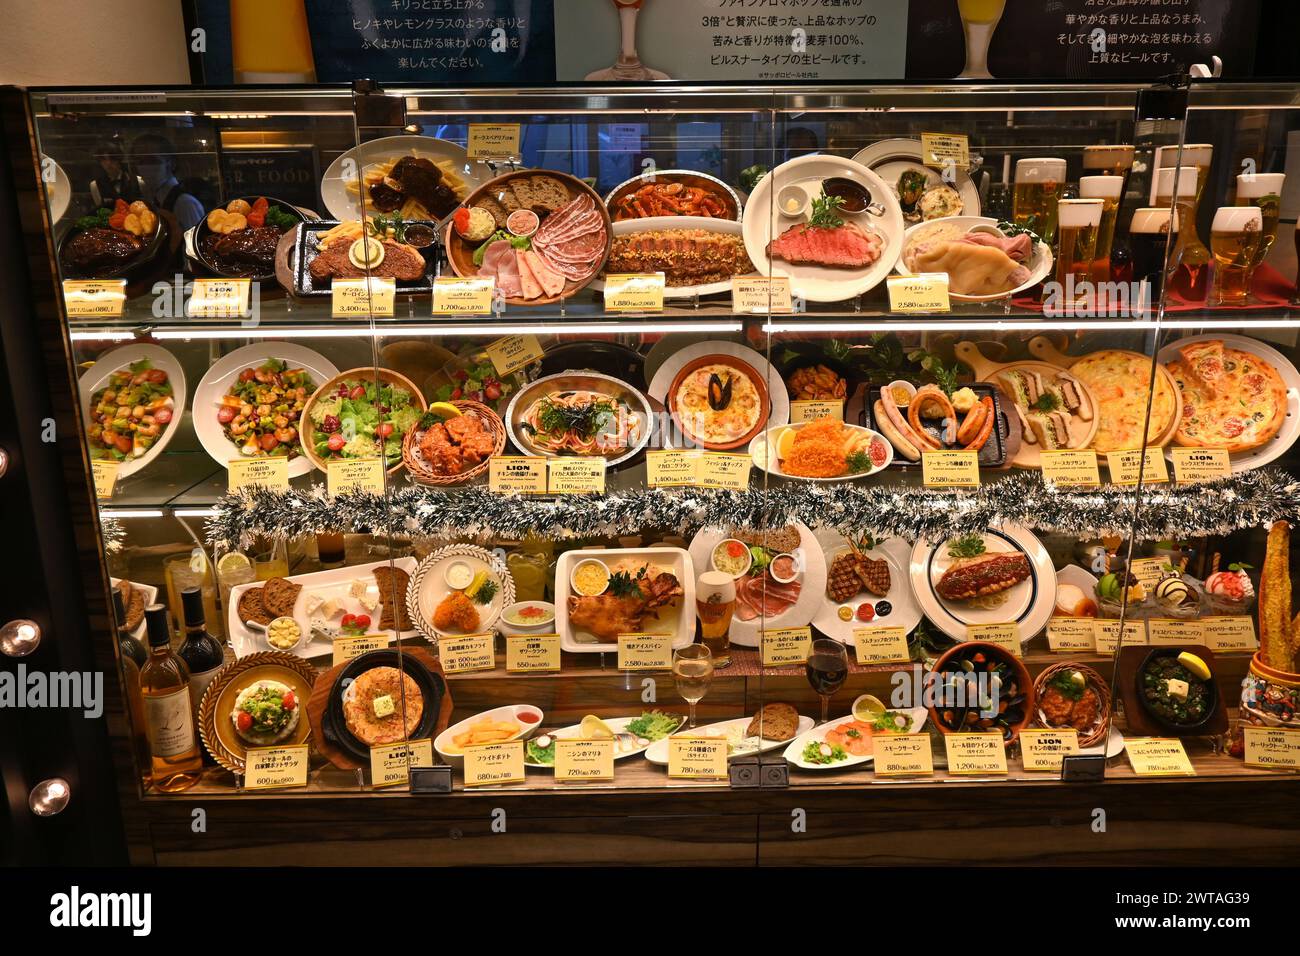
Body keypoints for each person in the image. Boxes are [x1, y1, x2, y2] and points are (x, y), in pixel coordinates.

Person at [131, 133, 205, 231]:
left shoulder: (185, 203)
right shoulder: (152, 199)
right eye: (140, 161)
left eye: (152, 160)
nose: (145, 167)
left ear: (171, 163)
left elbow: (195, 239)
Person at [88, 137, 142, 209]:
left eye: (112, 158)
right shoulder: (95, 185)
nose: (108, 163)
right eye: (103, 159)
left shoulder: (138, 181)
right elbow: (100, 210)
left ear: (119, 159)